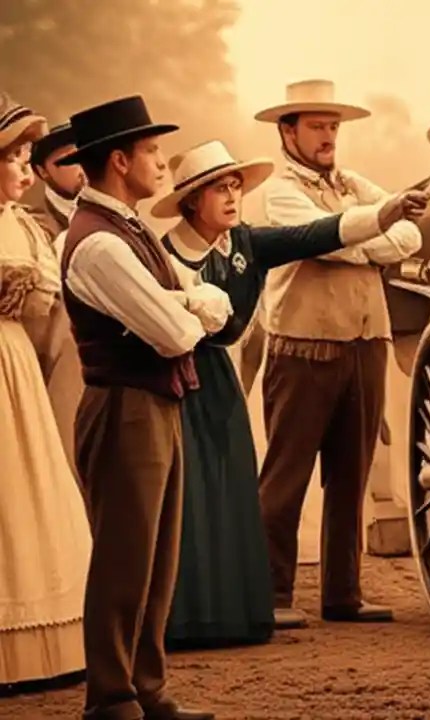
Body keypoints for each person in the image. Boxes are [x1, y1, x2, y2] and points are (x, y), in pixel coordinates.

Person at [148, 140, 428, 646]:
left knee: (335, 474)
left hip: (245, 372)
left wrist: (383, 214)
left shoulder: (249, 243)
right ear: (192, 200)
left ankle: (338, 592)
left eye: (235, 185)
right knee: (264, 479)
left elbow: (320, 233)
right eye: (219, 188)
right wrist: (372, 232)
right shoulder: (167, 253)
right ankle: (257, 596)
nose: (233, 196)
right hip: (188, 372)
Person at [58, 95, 228, 720]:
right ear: (121, 160)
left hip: (153, 400)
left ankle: (147, 687)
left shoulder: (130, 230)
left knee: (158, 560)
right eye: (153, 151)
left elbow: (209, 301)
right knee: (124, 559)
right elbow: (178, 331)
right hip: (124, 407)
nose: (162, 161)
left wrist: (183, 304)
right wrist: (185, 307)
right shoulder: (100, 245)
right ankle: (111, 697)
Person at [253, 79, 423, 628]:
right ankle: (272, 594)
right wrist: (370, 236)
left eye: (333, 127)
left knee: (351, 475)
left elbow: (409, 239)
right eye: (317, 127)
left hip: (365, 343)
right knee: (286, 475)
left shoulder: (353, 182)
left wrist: (356, 242)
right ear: (288, 130)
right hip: (303, 347)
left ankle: (342, 594)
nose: (328, 137)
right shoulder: (277, 190)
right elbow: (317, 235)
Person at [0, 92, 92, 693]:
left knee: (30, 484)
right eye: (17, 155)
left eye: (30, 154)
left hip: (17, 365)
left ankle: (46, 649)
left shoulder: (21, 223)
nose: (25, 168)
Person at [22, 121, 85, 470]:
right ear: (41, 171)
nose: (80, 166)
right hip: (51, 366)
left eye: (83, 155)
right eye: (66, 160)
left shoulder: (116, 216)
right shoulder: (34, 227)